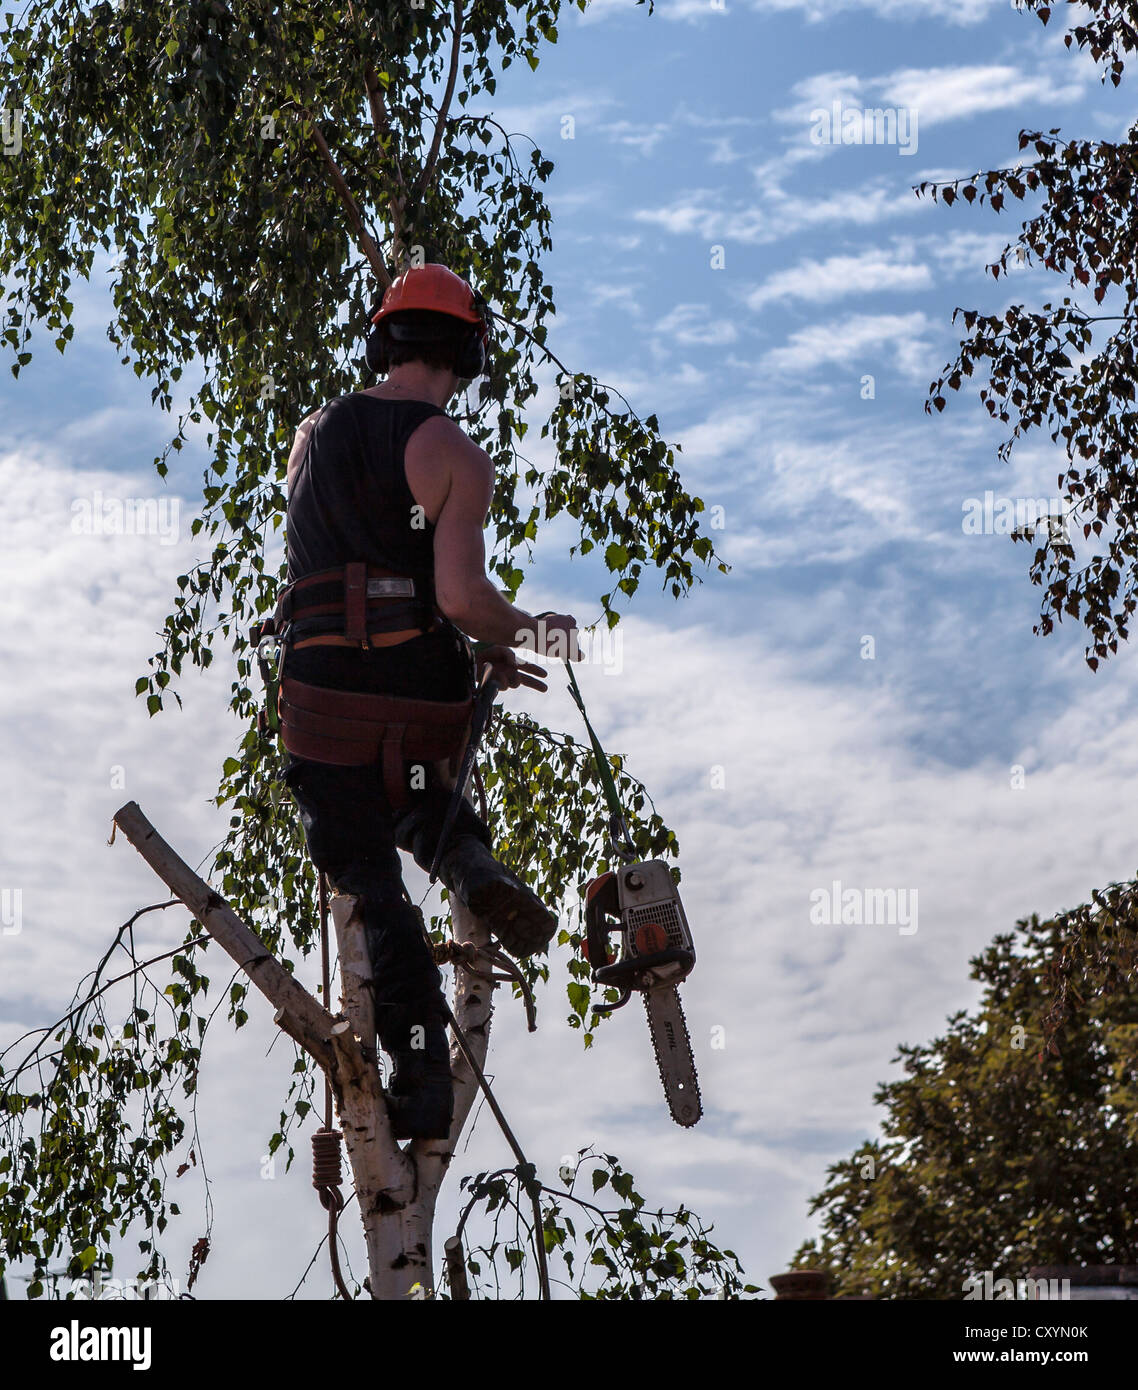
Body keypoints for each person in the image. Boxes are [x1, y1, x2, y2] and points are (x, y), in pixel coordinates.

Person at [279, 262, 579, 1141]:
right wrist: (530, 632)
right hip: (419, 695)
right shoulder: (455, 455)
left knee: (368, 881)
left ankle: (417, 1078)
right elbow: (455, 599)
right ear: (467, 353)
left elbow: (337, 574)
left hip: (324, 694)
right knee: (419, 791)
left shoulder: (311, 434)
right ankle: (468, 861)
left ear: (385, 338)